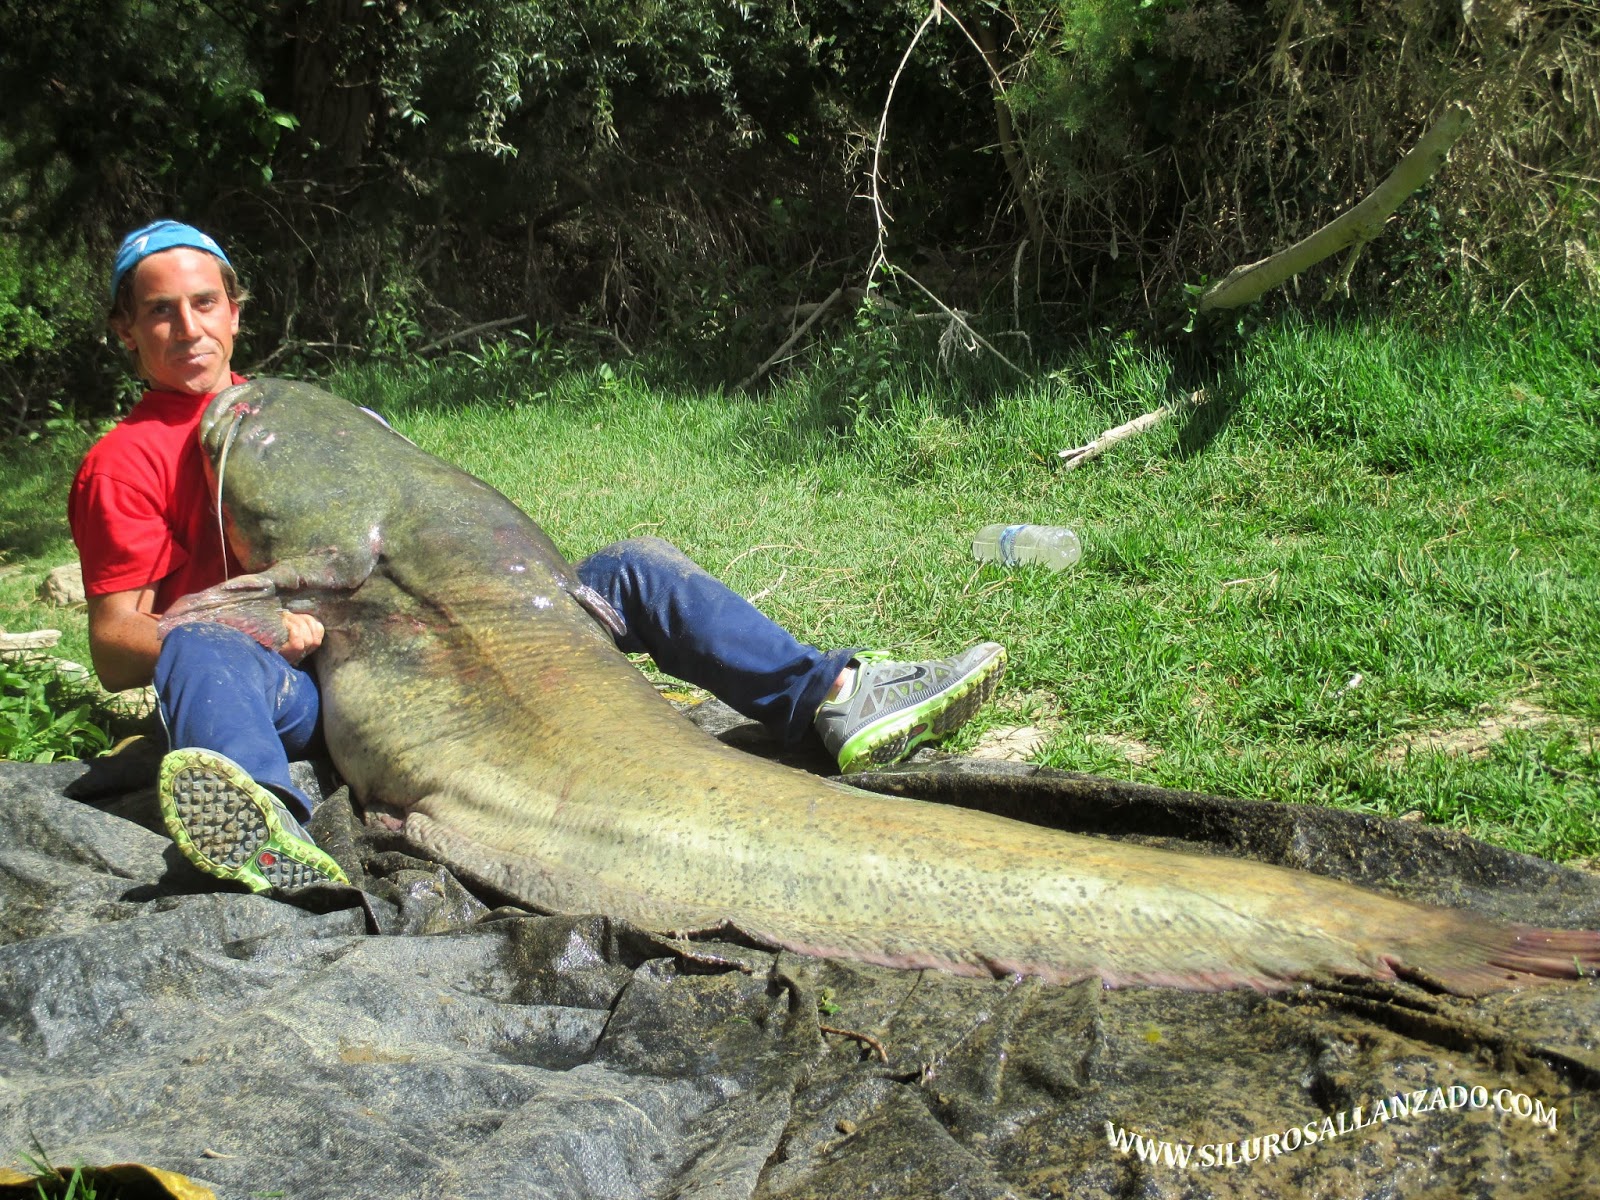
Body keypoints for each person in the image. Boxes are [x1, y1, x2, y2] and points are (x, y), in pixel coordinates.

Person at [70, 220, 1007, 895]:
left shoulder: (309, 410)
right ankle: (262, 818)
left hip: (448, 613)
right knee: (203, 648)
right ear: (125, 329)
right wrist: (272, 632)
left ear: (235, 309)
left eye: (204, 303)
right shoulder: (122, 462)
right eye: (159, 313)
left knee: (634, 564)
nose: (188, 328)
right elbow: (115, 644)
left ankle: (830, 697)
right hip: (305, 674)